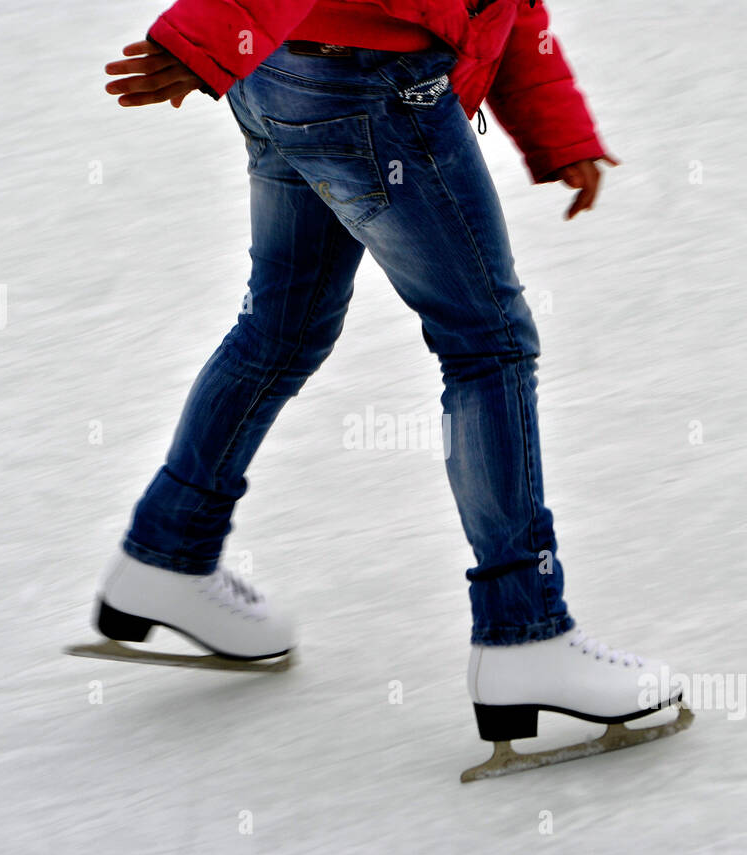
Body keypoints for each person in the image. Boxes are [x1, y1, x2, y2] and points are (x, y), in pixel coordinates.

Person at [93, 0, 686, 763]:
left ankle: (165, 556)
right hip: (371, 91)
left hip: (286, 70)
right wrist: (208, 32)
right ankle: (525, 635)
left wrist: (555, 125)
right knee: (488, 346)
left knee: (282, 328)